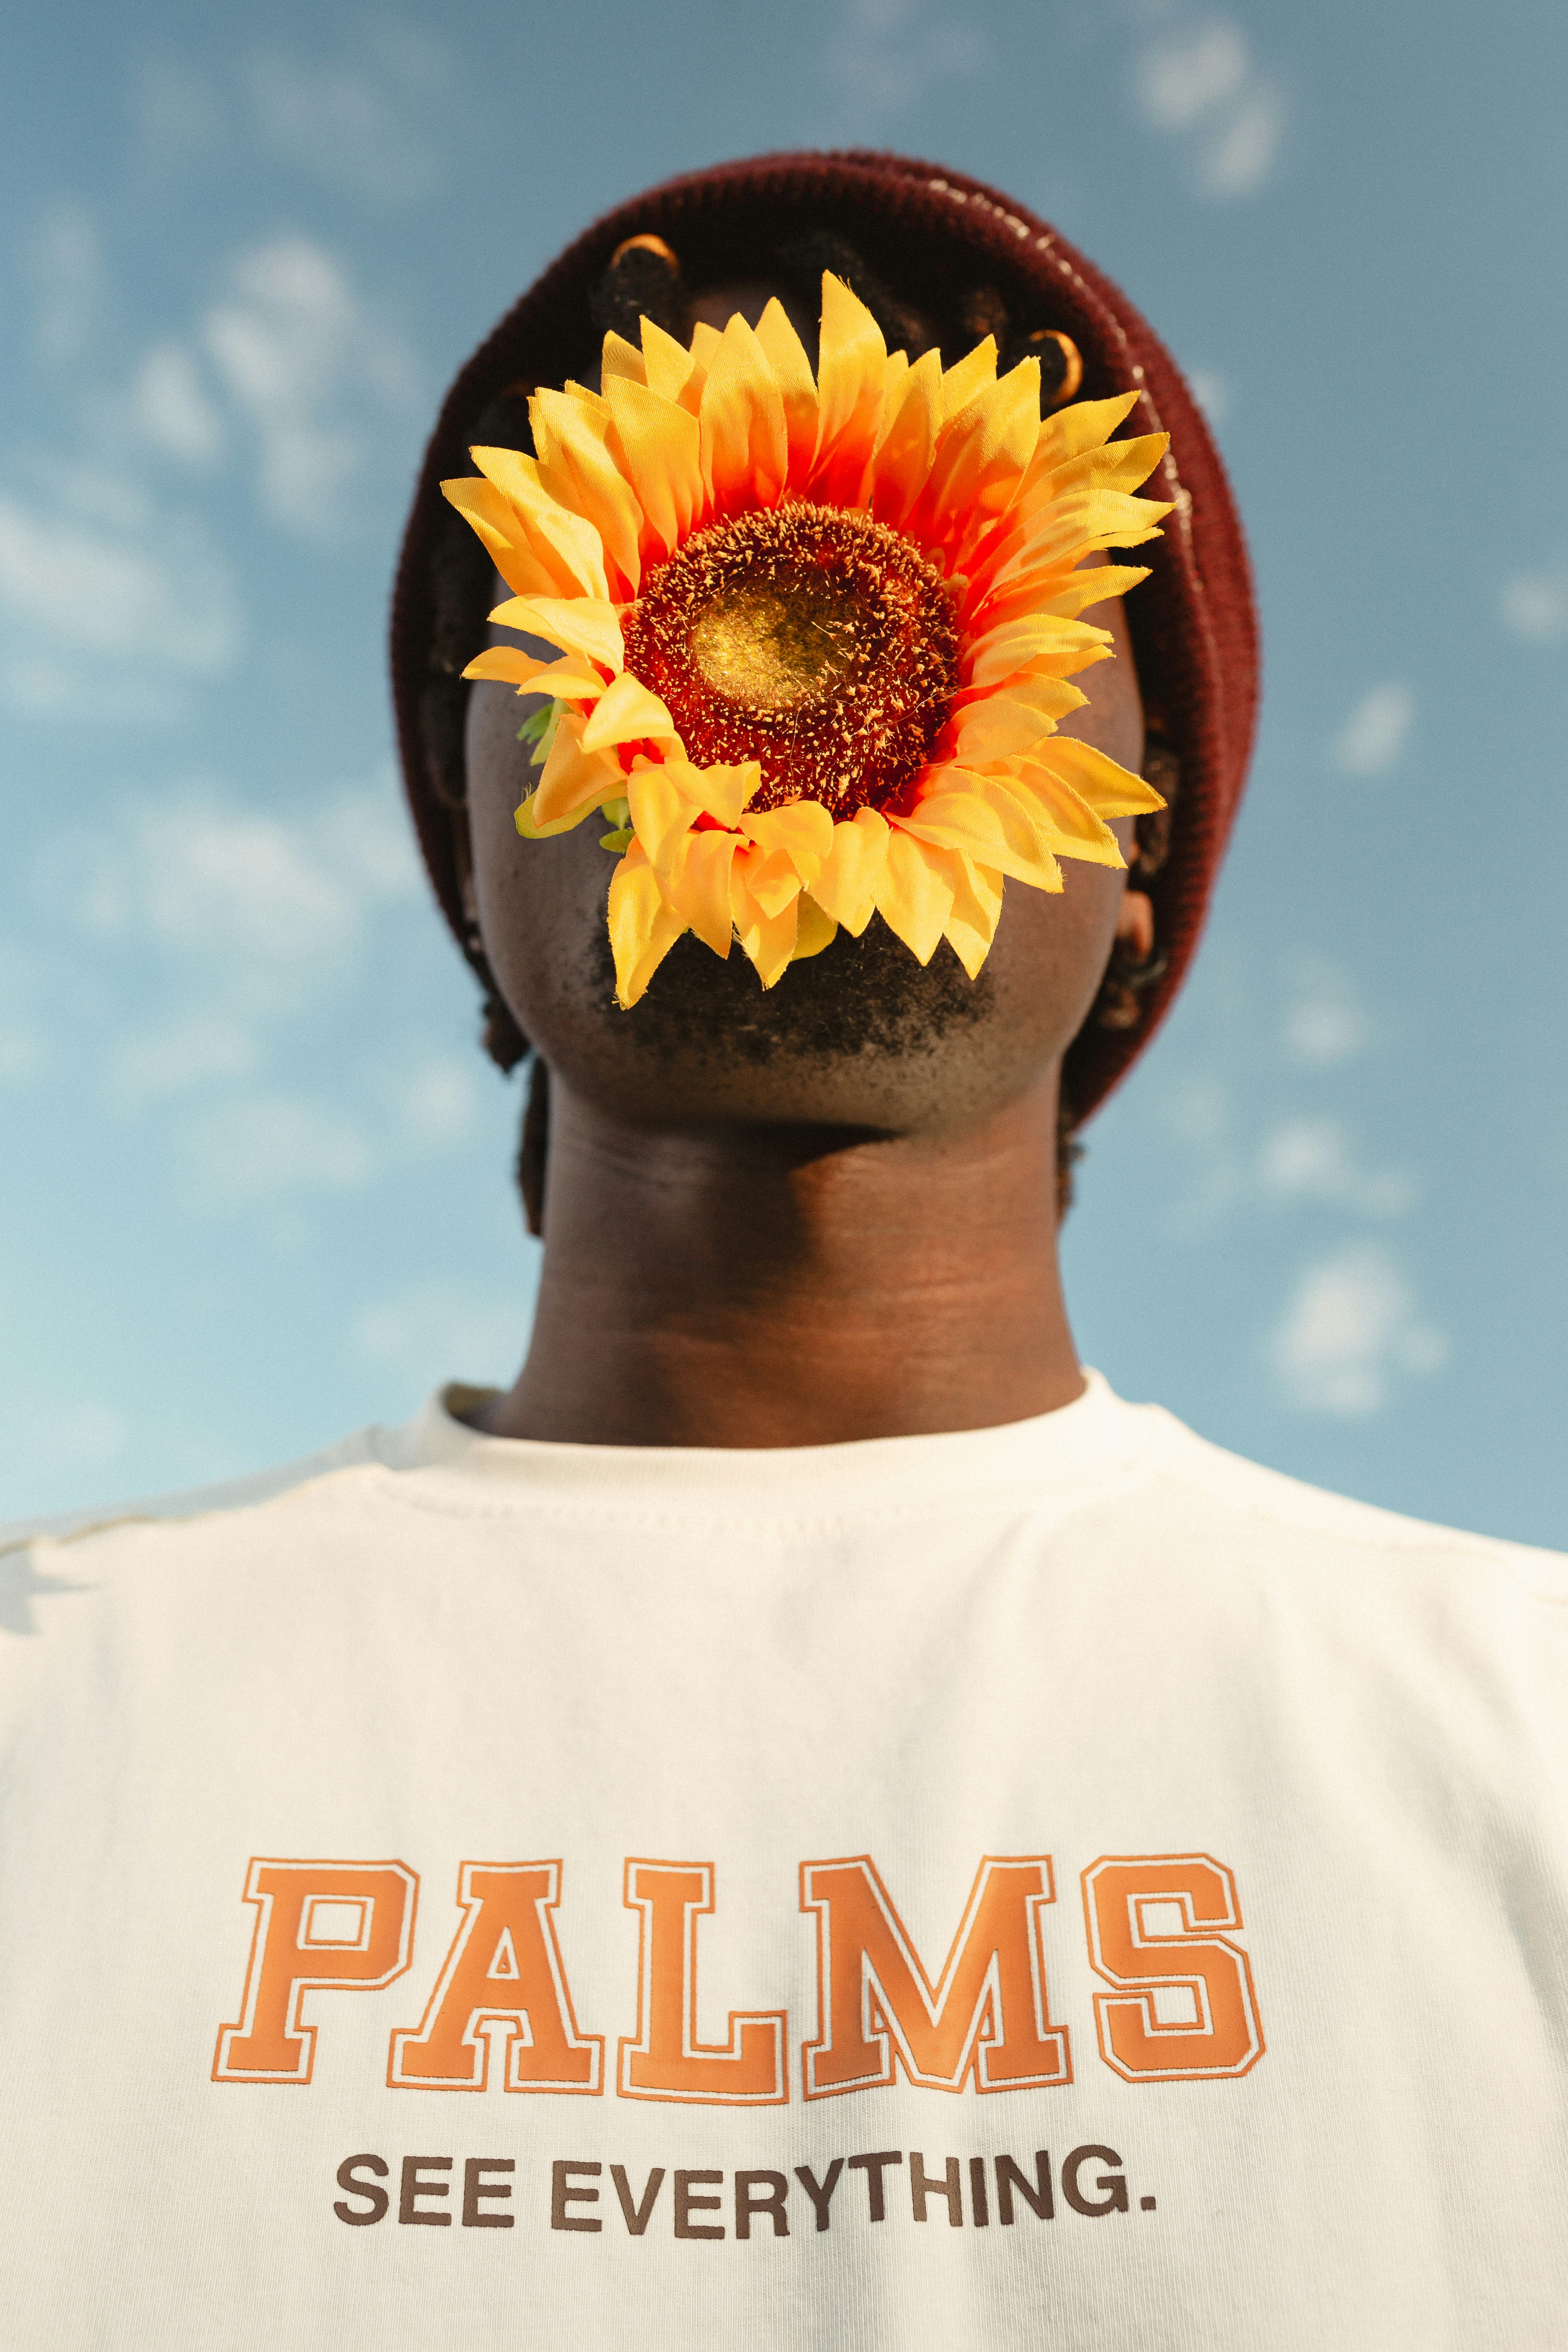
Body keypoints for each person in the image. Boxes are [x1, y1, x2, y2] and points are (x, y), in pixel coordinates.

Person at [1, 151, 1563, 2352]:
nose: (742, 597)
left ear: (1140, 861)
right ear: (475, 827)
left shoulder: (1525, 1732)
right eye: (595, 554)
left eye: (1004, 552)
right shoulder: (47, 1703)